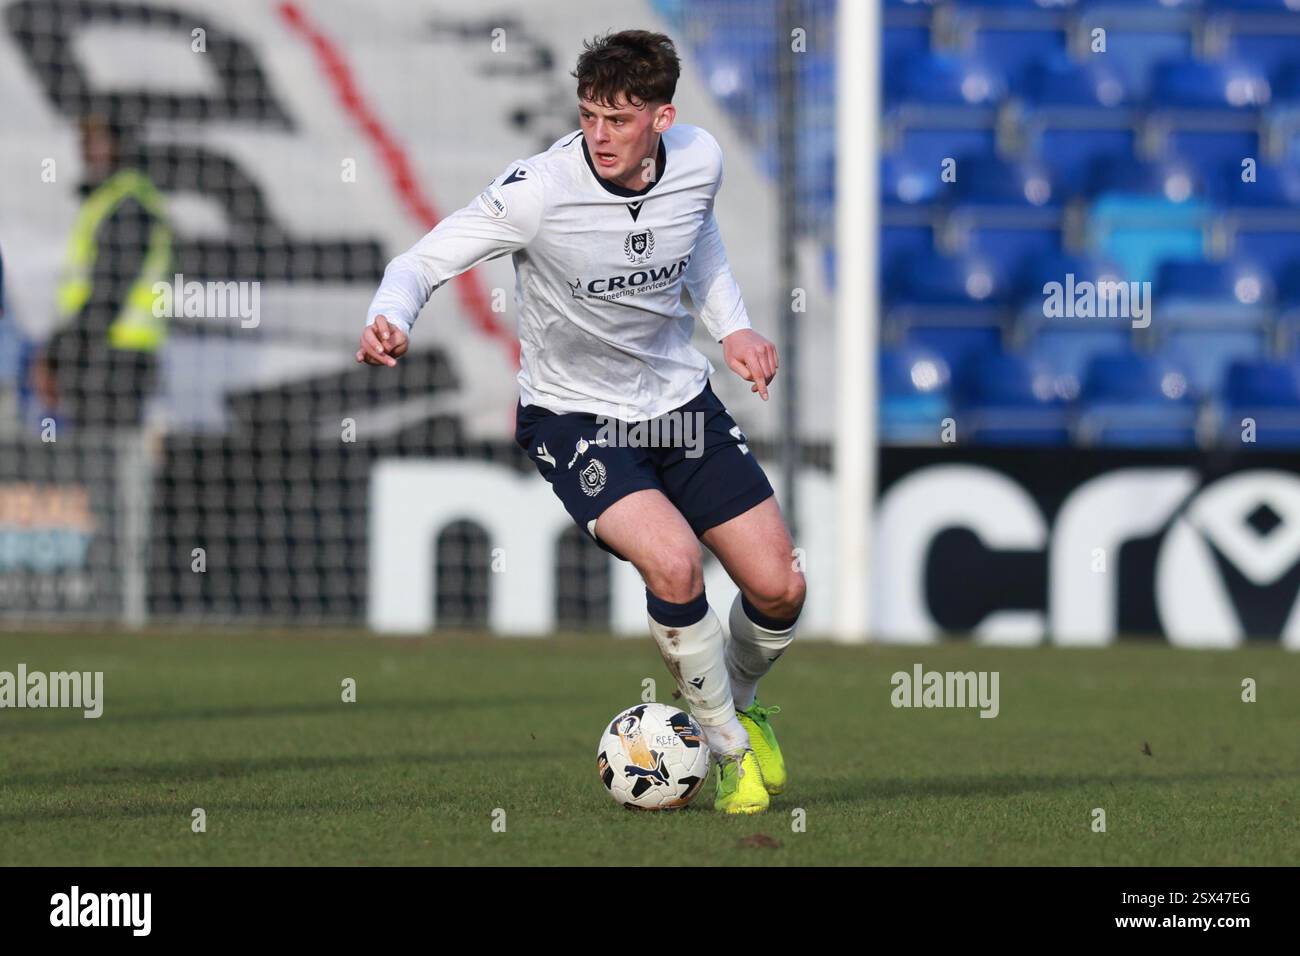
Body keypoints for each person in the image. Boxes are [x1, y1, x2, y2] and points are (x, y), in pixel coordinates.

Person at [358, 30, 805, 814]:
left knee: (779, 588)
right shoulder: (538, 190)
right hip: (574, 417)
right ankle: (729, 751)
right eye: (590, 114)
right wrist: (391, 317)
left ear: (662, 118)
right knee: (673, 566)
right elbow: (420, 261)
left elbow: (697, 235)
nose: (599, 134)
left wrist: (731, 326)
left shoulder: (700, 158)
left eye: (618, 119)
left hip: (678, 405)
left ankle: (737, 705)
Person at [33, 115, 171, 432]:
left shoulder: (128, 206)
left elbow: (108, 294)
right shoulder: (107, 201)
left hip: (114, 362)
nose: (88, 152)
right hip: (102, 356)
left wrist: (57, 353)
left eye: (98, 141)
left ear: (120, 145)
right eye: (85, 141)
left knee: (103, 464)